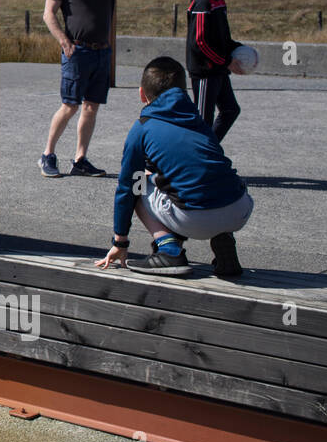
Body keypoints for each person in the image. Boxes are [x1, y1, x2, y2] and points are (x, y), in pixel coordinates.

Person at [96, 56, 252, 278]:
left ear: (142, 94)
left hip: (196, 220)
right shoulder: (197, 120)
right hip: (239, 209)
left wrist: (120, 240)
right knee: (204, 177)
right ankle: (224, 239)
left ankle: (170, 250)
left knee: (139, 185)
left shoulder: (142, 128)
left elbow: (126, 187)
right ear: (184, 91)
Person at [39, 0, 143, 178]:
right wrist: (63, 40)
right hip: (78, 50)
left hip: (101, 52)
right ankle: (47, 155)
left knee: (90, 107)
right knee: (70, 105)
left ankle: (80, 159)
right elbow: (48, 13)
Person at [186, 0, 243, 141]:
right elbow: (200, 42)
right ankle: (195, 160)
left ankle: (209, 151)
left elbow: (223, 38)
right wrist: (226, 61)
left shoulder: (219, 1)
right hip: (205, 71)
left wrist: (238, 49)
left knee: (230, 110)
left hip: (218, 68)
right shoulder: (201, 2)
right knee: (203, 120)